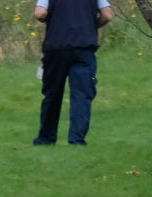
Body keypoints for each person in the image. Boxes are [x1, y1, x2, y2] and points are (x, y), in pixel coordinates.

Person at [33, 0, 113, 146]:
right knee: (82, 94)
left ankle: (46, 138)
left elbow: (40, 12)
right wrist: (92, 24)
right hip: (84, 47)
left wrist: (51, 20)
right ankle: (77, 140)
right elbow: (107, 15)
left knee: (52, 94)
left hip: (56, 48)